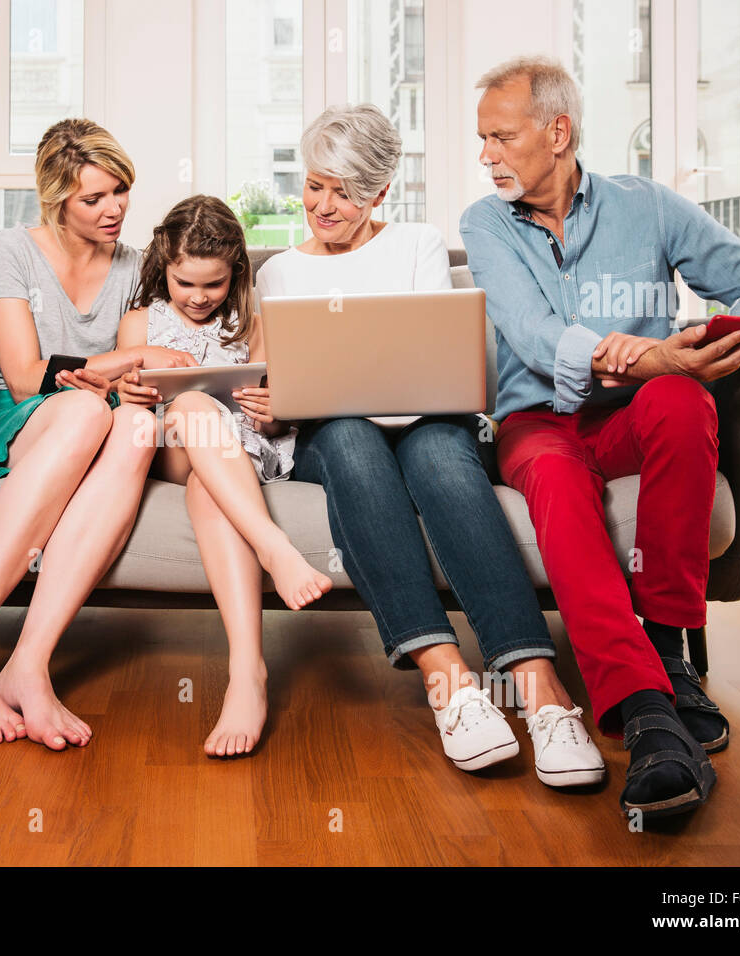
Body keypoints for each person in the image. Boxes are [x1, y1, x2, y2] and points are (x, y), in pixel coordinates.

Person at [460, 55, 740, 818]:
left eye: (500, 135)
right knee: (555, 480)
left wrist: (714, 344)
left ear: (557, 133)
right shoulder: (485, 222)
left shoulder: (646, 205)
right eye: (480, 138)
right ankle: (645, 707)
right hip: (535, 422)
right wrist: (638, 353)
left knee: (685, 401)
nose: (484, 154)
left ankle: (670, 644)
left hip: (634, 414)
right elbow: (530, 332)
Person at [257, 104, 605, 786]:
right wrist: (270, 402)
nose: (323, 206)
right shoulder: (278, 274)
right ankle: (451, 684)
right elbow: (273, 395)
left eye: (346, 192)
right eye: (316, 185)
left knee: (441, 455)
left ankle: (540, 691)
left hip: (424, 419)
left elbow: (438, 363)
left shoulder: (415, 243)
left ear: (381, 193)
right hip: (333, 432)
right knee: (354, 440)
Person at [0, 118, 195, 751]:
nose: (114, 209)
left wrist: (134, 382)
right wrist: (116, 366)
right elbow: (25, 378)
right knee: (85, 411)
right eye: (93, 198)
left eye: (120, 191)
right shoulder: (12, 251)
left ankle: (29, 662)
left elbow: (142, 366)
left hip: (101, 413)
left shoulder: (138, 266)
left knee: (135, 425)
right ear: (56, 200)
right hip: (20, 416)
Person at [116, 194, 333, 757]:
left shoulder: (255, 324)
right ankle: (275, 547)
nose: (198, 298)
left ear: (235, 273)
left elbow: (281, 407)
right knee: (189, 407)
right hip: (173, 444)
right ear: (164, 267)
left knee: (207, 490)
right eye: (185, 283)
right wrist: (132, 393)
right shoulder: (139, 323)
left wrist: (276, 409)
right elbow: (130, 409)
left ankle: (246, 672)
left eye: (212, 285)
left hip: (241, 451)